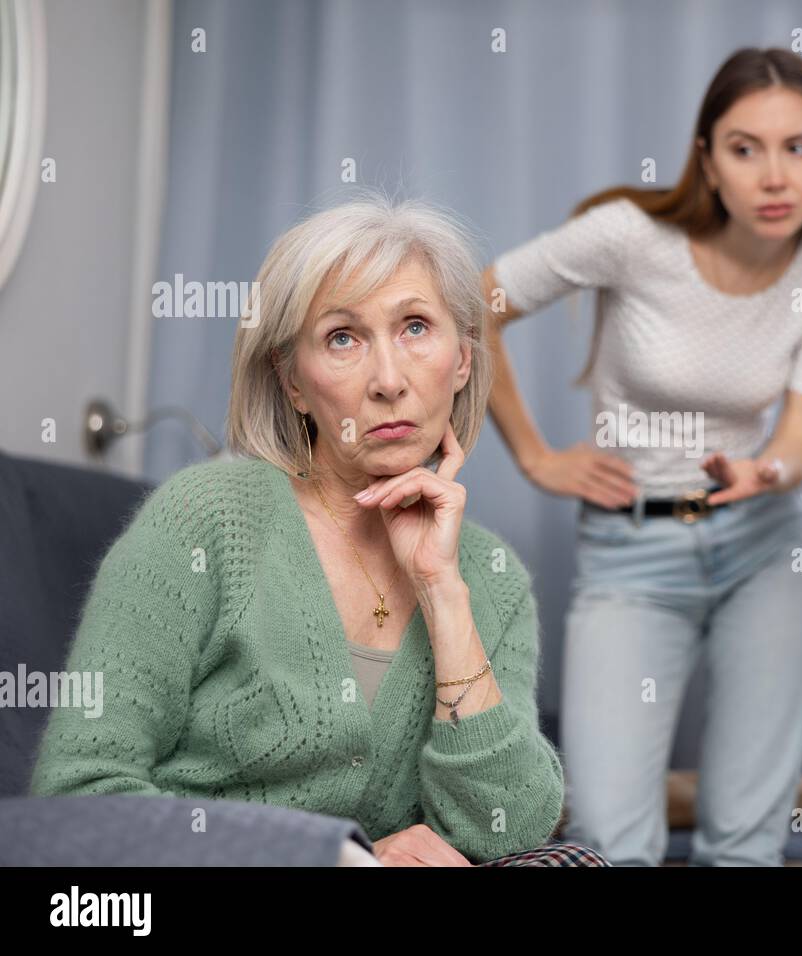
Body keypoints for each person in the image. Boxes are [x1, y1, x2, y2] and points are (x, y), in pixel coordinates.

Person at [29, 197, 608, 867]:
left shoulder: (489, 575)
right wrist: (328, 855)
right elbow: (77, 791)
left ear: (463, 361)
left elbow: (508, 830)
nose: (389, 381)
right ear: (293, 383)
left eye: (416, 327)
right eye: (343, 338)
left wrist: (444, 595)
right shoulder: (207, 519)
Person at [483, 48, 802, 865]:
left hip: (771, 548)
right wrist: (536, 458)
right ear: (707, 160)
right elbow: (475, 305)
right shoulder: (632, 237)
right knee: (610, 844)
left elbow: (798, 439)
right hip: (630, 555)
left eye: (800, 147)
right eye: (745, 148)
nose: (775, 176)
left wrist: (766, 472)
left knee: (745, 841)